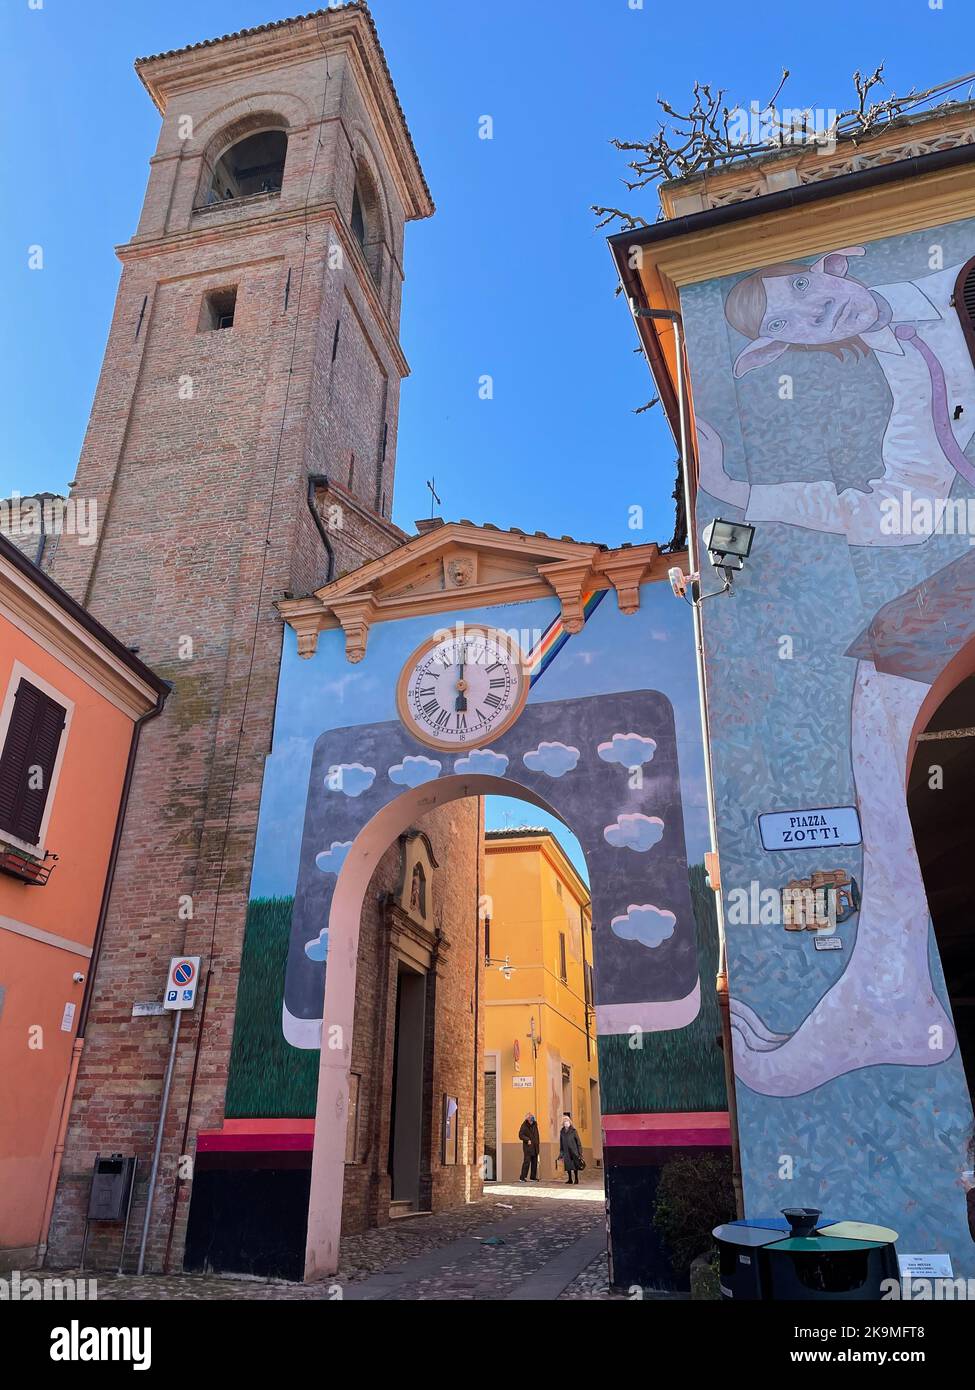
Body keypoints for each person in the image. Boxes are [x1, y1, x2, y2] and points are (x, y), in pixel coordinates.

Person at [558, 1112, 583, 1184]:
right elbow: (561, 1142)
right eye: (565, 1121)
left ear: (570, 1122)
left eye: (567, 1121)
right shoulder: (562, 1131)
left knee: (575, 1165)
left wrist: (580, 1152)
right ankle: (570, 1179)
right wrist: (561, 1152)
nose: (566, 1122)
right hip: (566, 1151)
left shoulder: (573, 1131)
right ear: (563, 1123)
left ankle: (576, 1178)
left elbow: (578, 1142)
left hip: (574, 1151)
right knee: (568, 1166)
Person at [518, 1113, 540, 1182]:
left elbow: (537, 1135)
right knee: (527, 1162)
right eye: (530, 1118)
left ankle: (533, 1177)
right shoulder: (524, 1126)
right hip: (528, 1147)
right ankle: (522, 1177)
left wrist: (537, 1143)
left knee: (534, 1162)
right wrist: (527, 1139)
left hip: (535, 1146)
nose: (531, 1119)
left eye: (532, 1117)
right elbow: (520, 1135)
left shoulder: (535, 1125)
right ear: (527, 1119)